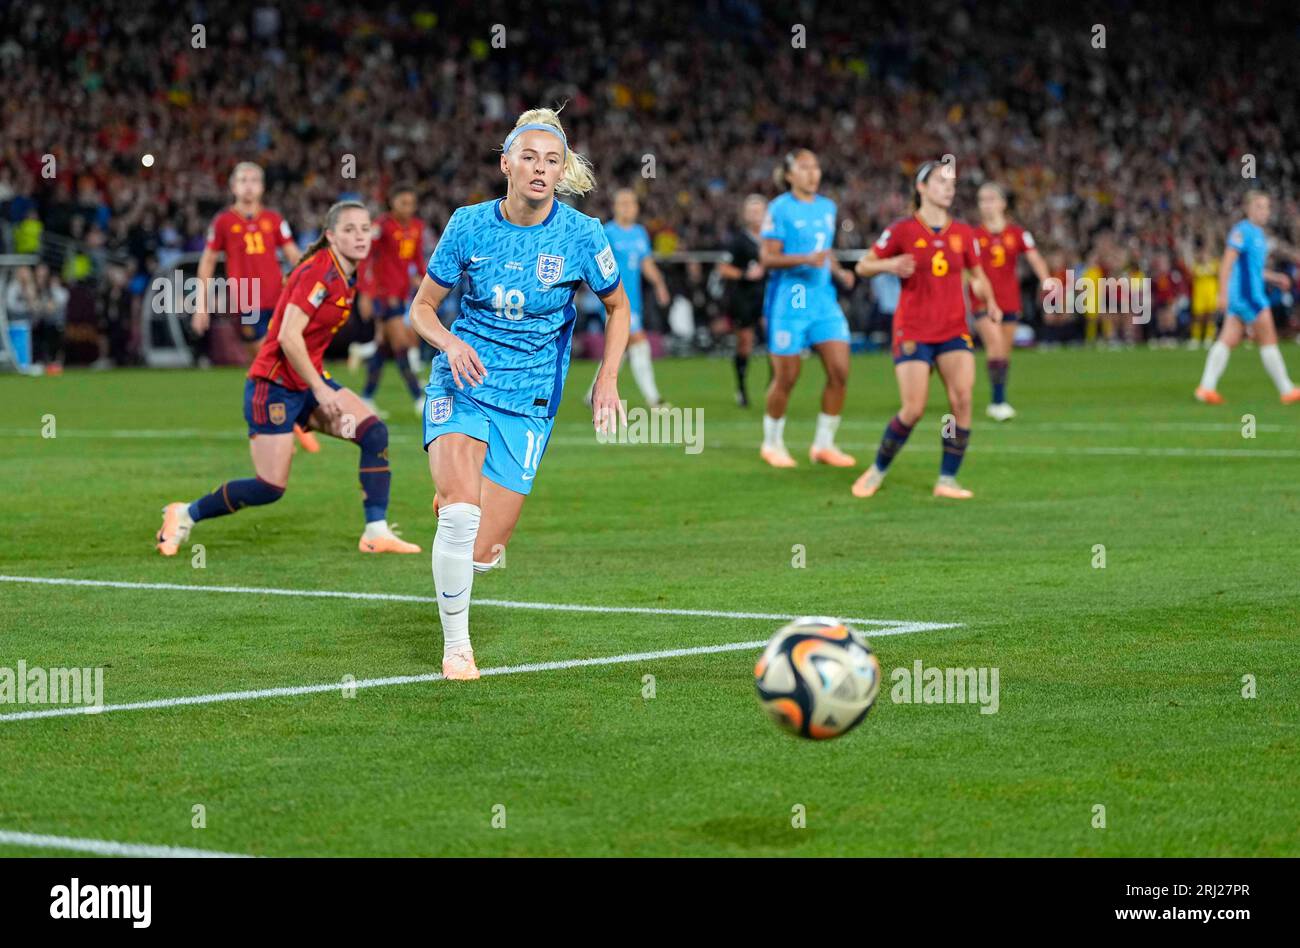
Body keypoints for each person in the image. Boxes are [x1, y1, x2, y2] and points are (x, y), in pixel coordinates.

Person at [408, 108, 632, 681]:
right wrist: (449, 346)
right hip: (463, 380)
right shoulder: (468, 224)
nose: (540, 168)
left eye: (551, 160)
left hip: (530, 399)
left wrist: (606, 379)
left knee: (483, 551)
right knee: (459, 517)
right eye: (528, 157)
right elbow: (422, 309)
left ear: (562, 172)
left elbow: (617, 307)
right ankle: (457, 647)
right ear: (505, 163)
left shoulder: (583, 235)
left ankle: (457, 499)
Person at [155, 200, 422, 557]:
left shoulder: (346, 274)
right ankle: (184, 514)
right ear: (330, 235)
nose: (359, 237)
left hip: (305, 382)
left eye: (363, 230)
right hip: (274, 386)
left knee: (374, 432)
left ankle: (375, 532)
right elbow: (287, 336)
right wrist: (319, 388)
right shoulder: (320, 272)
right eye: (349, 230)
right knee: (270, 487)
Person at [851, 160, 1001, 500]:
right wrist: (889, 264)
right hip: (914, 330)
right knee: (914, 409)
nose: (949, 187)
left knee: (961, 400)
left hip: (953, 329)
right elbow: (863, 266)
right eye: (940, 181)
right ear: (922, 188)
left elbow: (978, 275)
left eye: (952, 182)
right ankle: (878, 469)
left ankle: (946, 479)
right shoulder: (903, 229)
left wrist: (987, 298)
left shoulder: (964, 233)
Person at [192, 163, 316, 451]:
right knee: (265, 362)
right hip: (246, 302)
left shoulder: (273, 219)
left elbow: (293, 254)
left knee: (273, 361)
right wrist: (202, 304)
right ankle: (286, 421)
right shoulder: (223, 222)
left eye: (254, 180)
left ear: (262, 187)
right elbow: (208, 260)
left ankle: (281, 424)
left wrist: (310, 280)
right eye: (243, 180)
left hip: (279, 299)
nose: (248, 185)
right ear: (233, 186)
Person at [758, 149, 857, 468]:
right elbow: (767, 258)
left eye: (815, 166)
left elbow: (824, 252)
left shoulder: (828, 207)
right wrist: (804, 259)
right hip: (790, 301)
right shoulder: (779, 209)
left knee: (840, 371)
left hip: (822, 301)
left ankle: (824, 445)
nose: (813, 173)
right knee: (787, 376)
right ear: (789, 175)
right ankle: (771, 443)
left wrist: (839, 271)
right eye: (804, 167)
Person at [1195, 190, 1300, 405]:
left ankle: (1206, 388)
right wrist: (1222, 294)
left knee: (1227, 340)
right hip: (1248, 297)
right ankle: (1286, 389)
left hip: (1246, 296)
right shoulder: (1241, 231)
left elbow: (1254, 270)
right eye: (1259, 207)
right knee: (1268, 339)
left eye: (1267, 207)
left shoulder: (1259, 235)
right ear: (1249, 209)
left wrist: (1274, 278)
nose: (1265, 211)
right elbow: (1227, 263)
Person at [584, 188, 671, 409]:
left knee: (619, 346)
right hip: (615, 300)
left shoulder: (640, 232)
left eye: (630, 203)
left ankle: (593, 392)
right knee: (639, 343)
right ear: (614, 207)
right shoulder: (608, 232)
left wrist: (659, 284)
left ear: (636, 207)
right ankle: (654, 399)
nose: (627, 207)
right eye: (622, 203)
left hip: (635, 301)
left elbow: (646, 262)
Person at [972, 183, 1050, 420]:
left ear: (1002, 203)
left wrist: (1046, 280)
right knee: (994, 345)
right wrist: (972, 281)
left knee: (1003, 353)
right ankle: (998, 403)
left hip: (1009, 300)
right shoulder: (974, 235)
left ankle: (997, 398)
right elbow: (965, 265)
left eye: (991, 199)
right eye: (982, 200)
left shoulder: (1016, 233)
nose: (986, 204)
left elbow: (1034, 258)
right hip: (983, 301)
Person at [359, 184, 427, 415]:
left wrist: (423, 280)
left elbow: (417, 259)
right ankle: (419, 398)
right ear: (392, 203)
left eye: (411, 204)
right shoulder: (382, 227)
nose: (408, 208)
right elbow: (364, 258)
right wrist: (366, 292)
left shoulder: (417, 227)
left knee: (384, 348)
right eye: (403, 203)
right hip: (384, 295)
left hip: (402, 293)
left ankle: (366, 397)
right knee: (402, 344)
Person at [717, 194, 767, 407]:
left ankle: (775, 387)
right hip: (744, 297)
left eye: (759, 211)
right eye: (751, 211)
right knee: (745, 343)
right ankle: (742, 388)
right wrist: (745, 274)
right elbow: (723, 268)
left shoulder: (773, 239)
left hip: (769, 296)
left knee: (777, 342)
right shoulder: (738, 241)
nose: (755, 215)